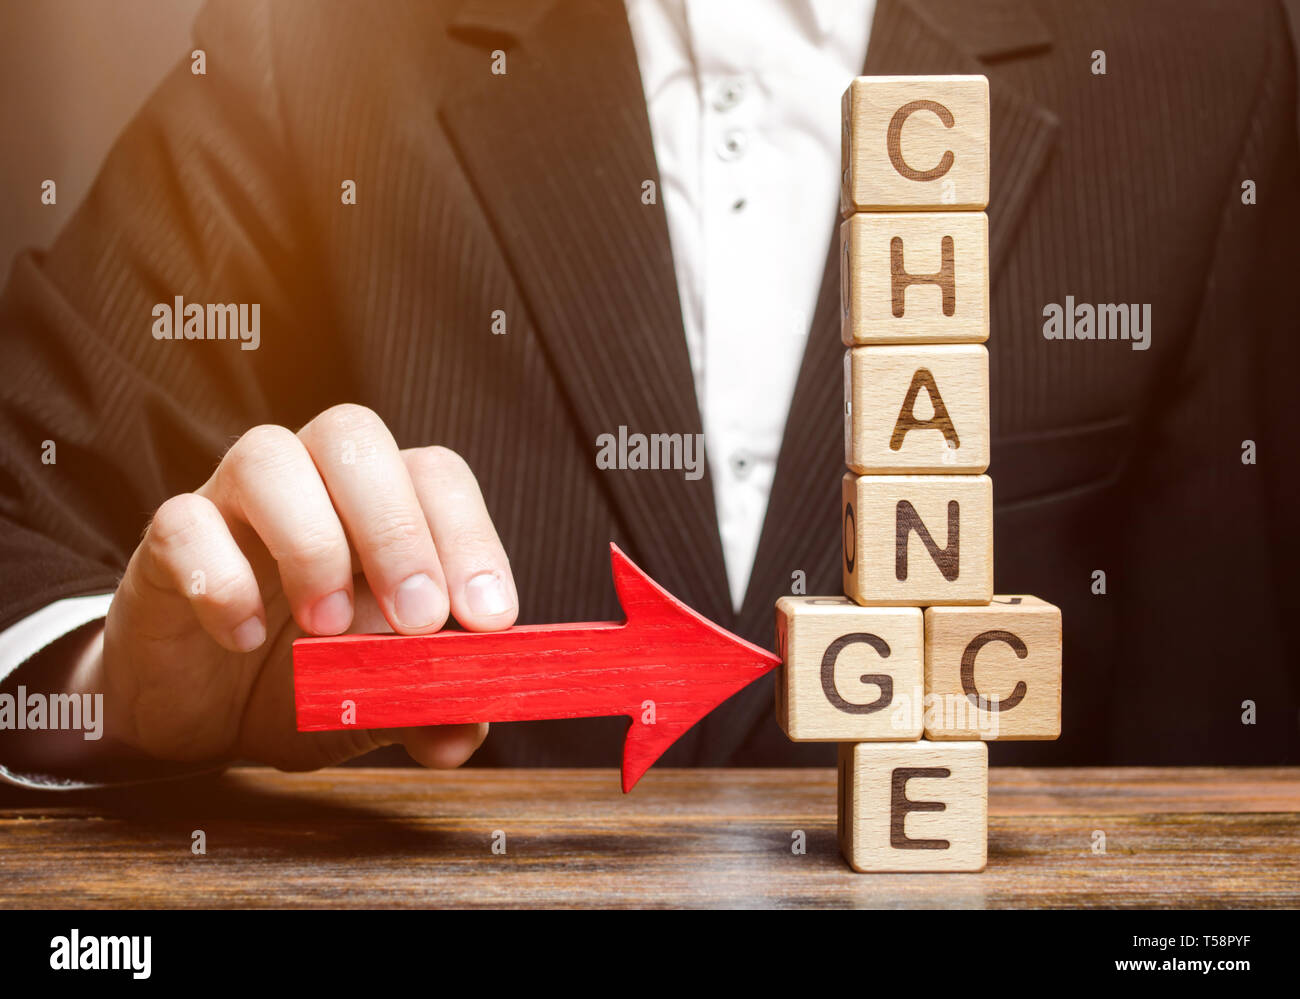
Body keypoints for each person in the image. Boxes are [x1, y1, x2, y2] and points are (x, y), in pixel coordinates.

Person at [2, 0, 1297, 789]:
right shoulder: (310, 39)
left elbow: (1229, 747)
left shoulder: (1196, 52)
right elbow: (21, 523)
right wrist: (111, 691)